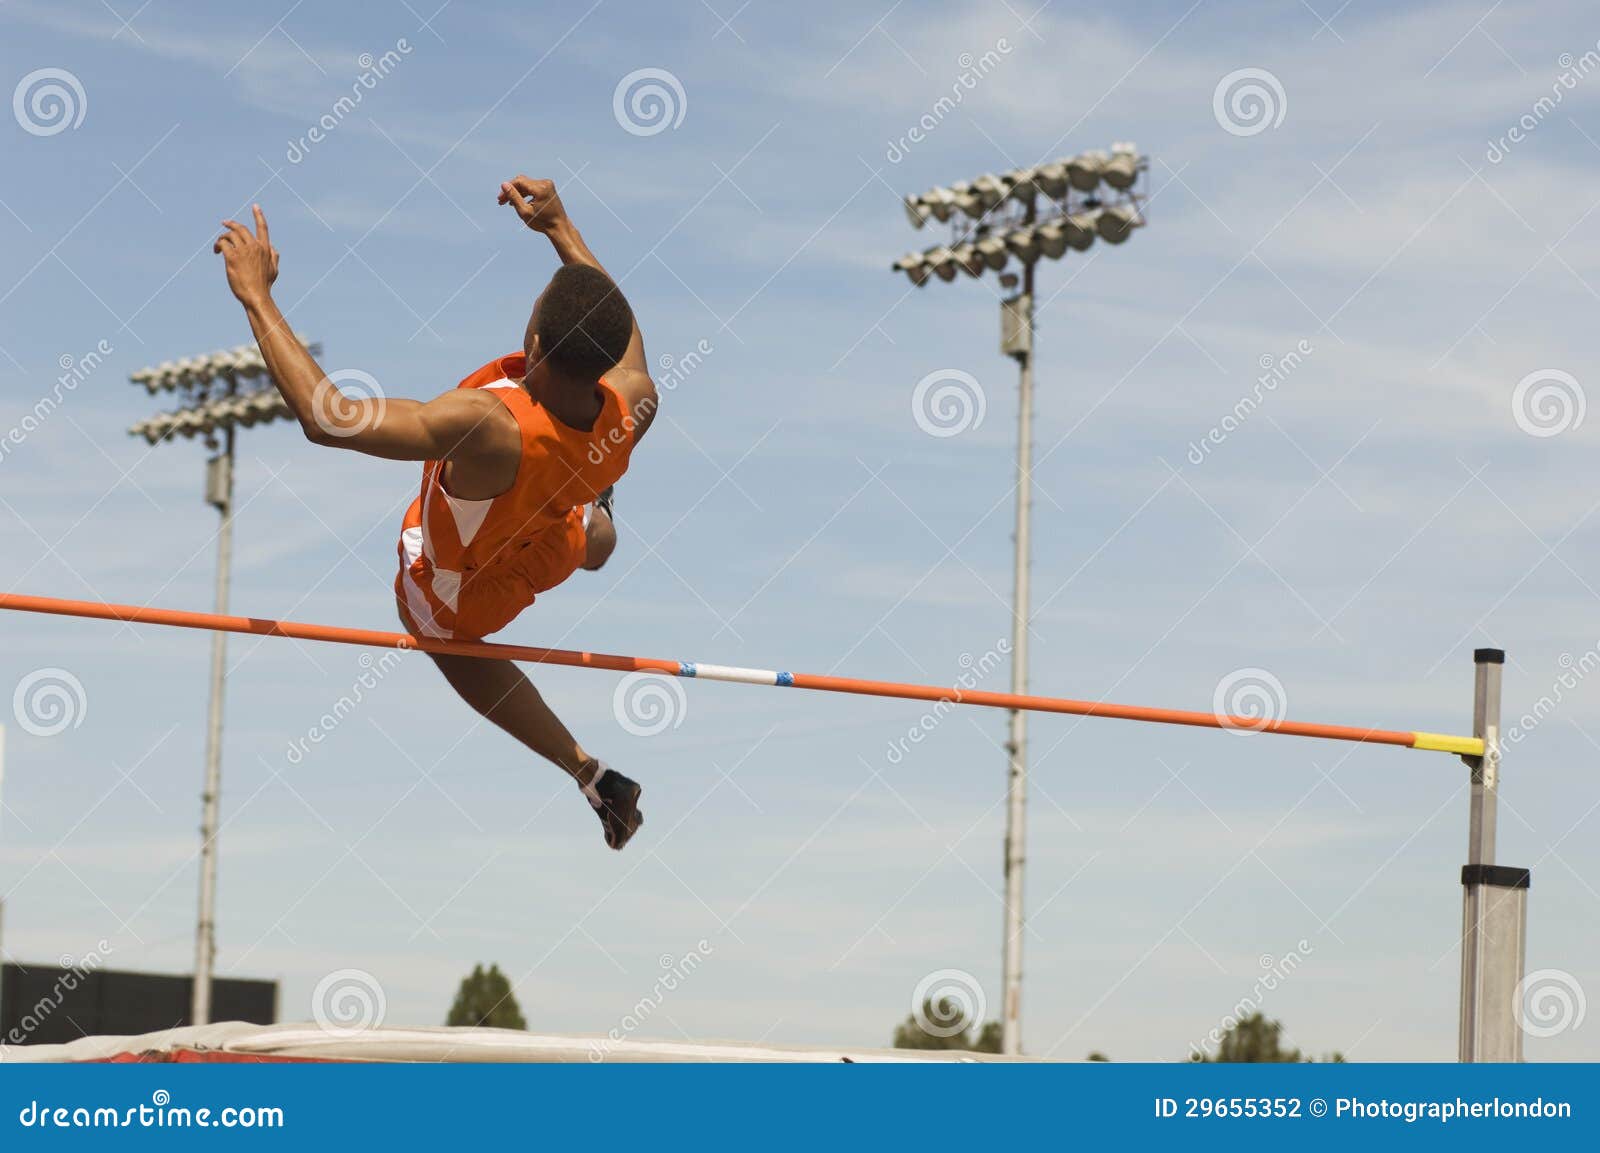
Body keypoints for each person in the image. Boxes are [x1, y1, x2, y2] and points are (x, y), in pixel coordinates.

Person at [213, 177, 656, 849]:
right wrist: (562, 228)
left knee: (427, 620)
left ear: (532, 341)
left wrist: (256, 295)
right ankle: (596, 522)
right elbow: (614, 327)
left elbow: (328, 418)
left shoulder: (486, 426)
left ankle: (584, 768)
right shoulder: (636, 402)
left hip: (466, 588)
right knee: (583, 530)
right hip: (549, 531)